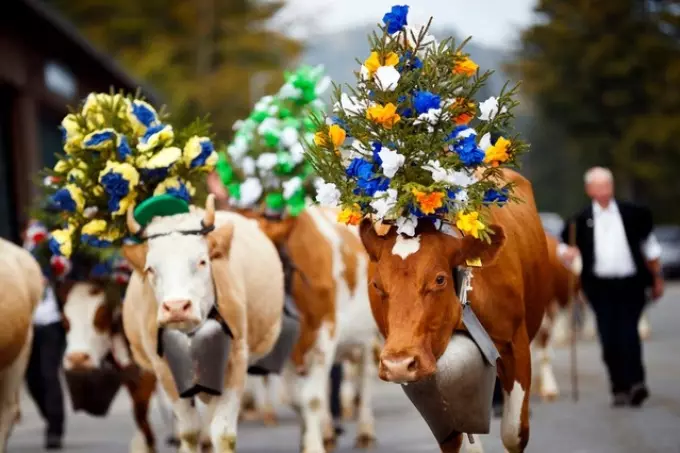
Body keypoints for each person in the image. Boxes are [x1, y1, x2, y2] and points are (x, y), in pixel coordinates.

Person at [558, 167, 664, 408]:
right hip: (599, 288)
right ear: (589, 190)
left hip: (631, 283)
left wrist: (656, 278)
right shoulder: (579, 220)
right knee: (609, 338)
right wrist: (568, 252)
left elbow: (650, 247)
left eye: (608, 185)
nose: (605, 191)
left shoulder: (632, 214)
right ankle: (619, 387)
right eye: (600, 186)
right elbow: (562, 247)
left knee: (629, 333)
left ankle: (637, 383)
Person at [24, 279, 67, 449]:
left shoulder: (51, 254)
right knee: (32, 379)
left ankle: (54, 430)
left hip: (52, 324)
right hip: (26, 326)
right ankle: (50, 416)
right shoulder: (16, 256)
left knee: (49, 375)